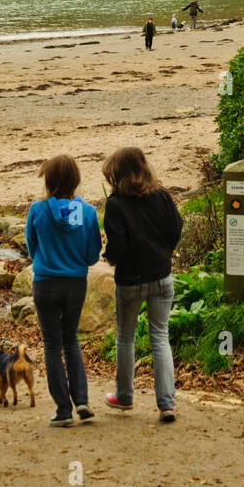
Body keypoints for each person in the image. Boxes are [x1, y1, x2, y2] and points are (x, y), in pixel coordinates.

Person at [101, 146, 183, 423]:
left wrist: (110, 258)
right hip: (161, 276)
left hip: (130, 281)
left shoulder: (115, 204)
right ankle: (166, 403)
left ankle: (124, 395)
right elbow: (176, 229)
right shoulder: (161, 195)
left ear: (116, 174)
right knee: (160, 337)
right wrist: (163, 253)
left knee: (126, 336)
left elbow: (118, 246)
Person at [25, 155, 102, 426]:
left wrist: (48, 259)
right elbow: (93, 255)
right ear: (76, 180)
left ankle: (63, 411)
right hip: (75, 283)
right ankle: (81, 399)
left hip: (45, 282)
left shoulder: (37, 210)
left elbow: (32, 249)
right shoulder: (89, 213)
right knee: (71, 340)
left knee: (52, 344)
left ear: (48, 180)